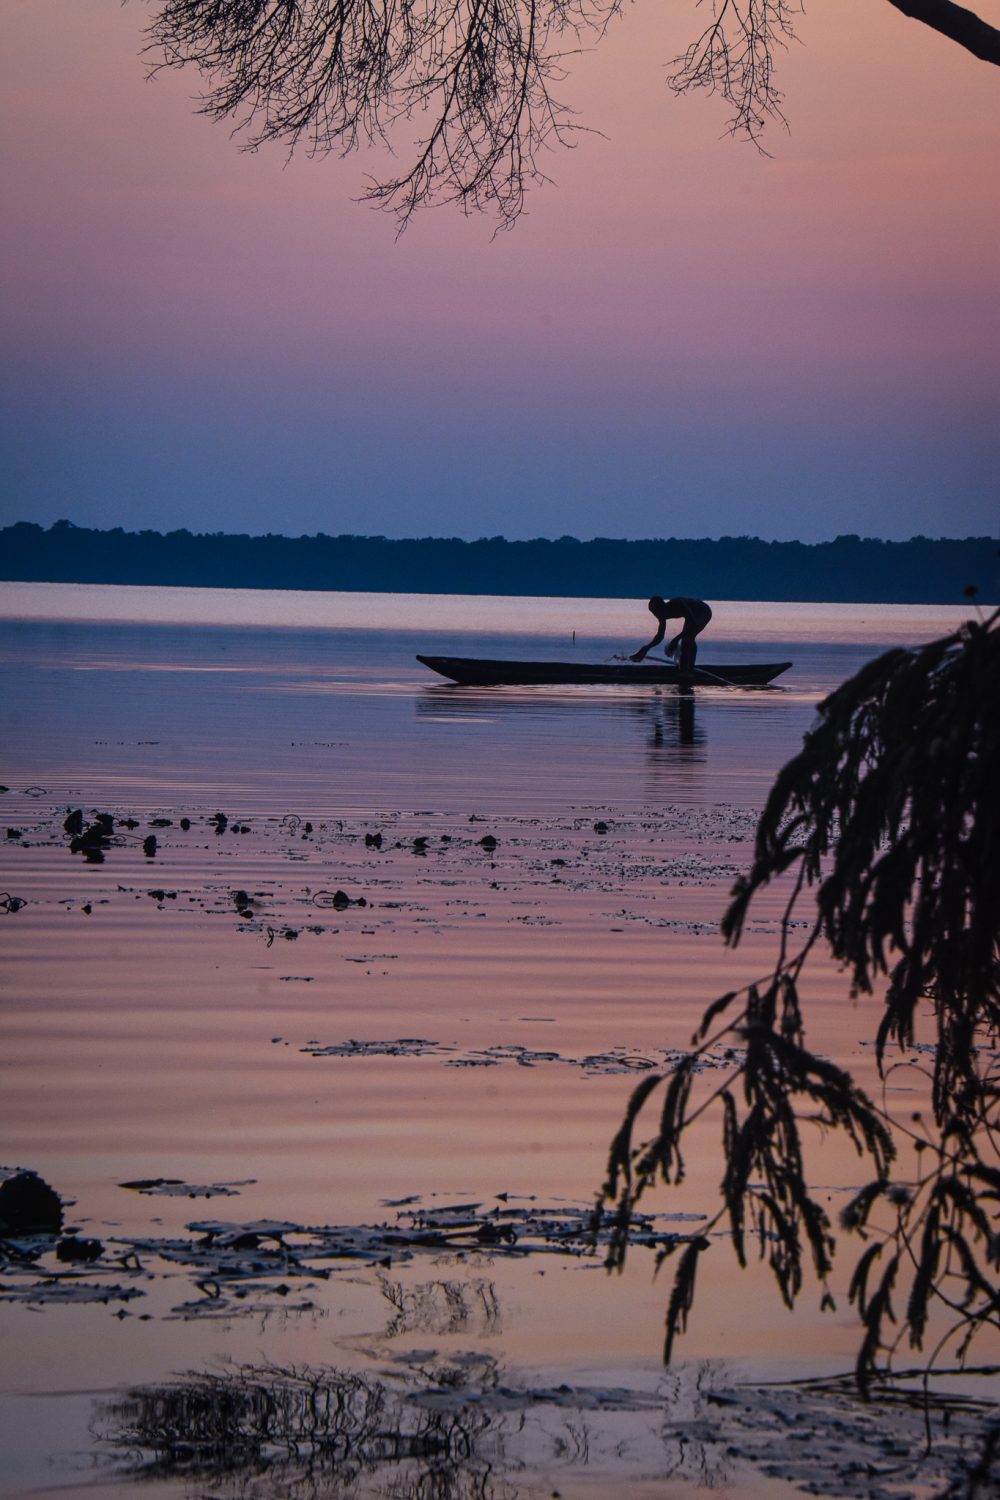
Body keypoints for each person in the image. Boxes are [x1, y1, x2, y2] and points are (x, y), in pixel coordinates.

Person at [630, 597, 713, 673]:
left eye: (656, 612)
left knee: (687, 639)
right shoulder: (661, 614)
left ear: (662, 606)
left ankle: (686, 671)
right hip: (692, 616)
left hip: (703, 611)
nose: (655, 615)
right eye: (653, 613)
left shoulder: (677, 603)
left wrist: (676, 639)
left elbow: (693, 623)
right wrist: (646, 648)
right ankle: (687, 668)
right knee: (688, 638)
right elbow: (660, 636)